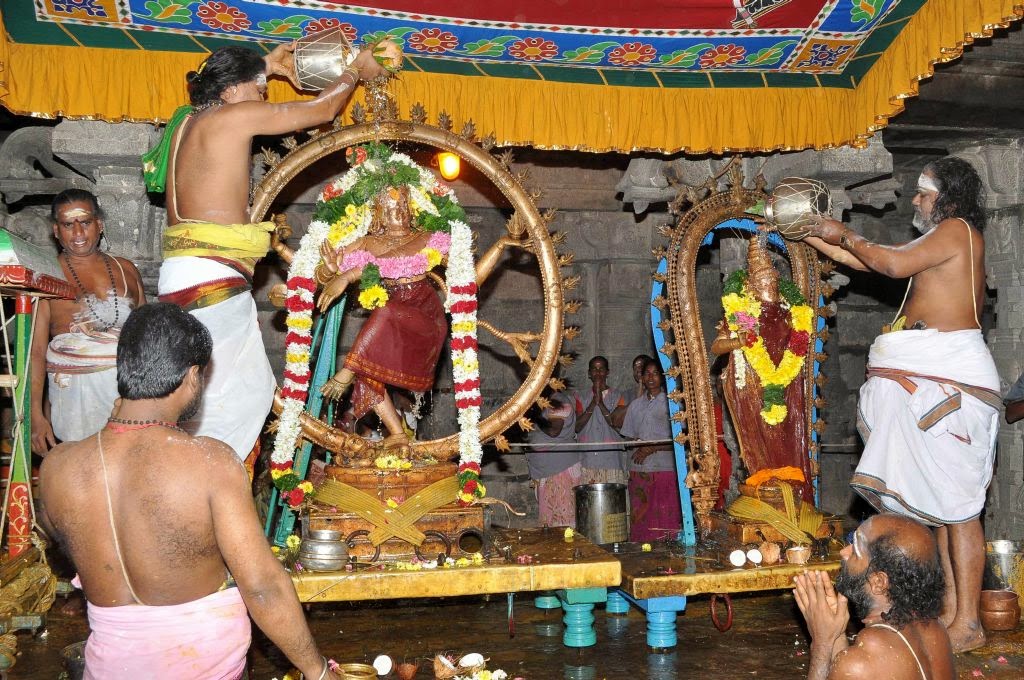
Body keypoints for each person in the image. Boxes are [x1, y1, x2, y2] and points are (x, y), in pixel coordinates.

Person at [38, 303, 343, 680]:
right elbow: (263, 588)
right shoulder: (210, 463)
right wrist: (317, 671)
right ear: (192, 375)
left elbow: (63, 539)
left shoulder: (56, 468)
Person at [144, 43, 388, 462]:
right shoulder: (231, 115)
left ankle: (200, 481)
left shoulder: (185, 122)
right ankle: (207, 488)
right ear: (235, 89)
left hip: (185, 274)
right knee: (238, 397)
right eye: (259, 90)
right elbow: (323, 111)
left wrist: (266, 68)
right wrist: (355, 72)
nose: (263, 98)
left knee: (216, 394)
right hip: (210, 277)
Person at [803, 156, 1000, 652]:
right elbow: (871, 259)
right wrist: (809, 233)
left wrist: (841, 231)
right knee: (937, 505)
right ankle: (950, 615)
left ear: (949, 196)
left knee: (959, 508)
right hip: (930, 377)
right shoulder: (937, 241)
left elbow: (887, 261)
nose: (915, 199)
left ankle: (969, 621)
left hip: (950, 380)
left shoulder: (957, 229)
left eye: (923, 192)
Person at [317, 186, 448, 454]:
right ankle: (398, 434)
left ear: (411, 209)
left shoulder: (427, 237)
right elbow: (321, 272)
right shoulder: (366, 242)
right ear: (378, 214)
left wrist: (348, 275)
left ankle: (348, 369)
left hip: (424, 316)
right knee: (368, 370)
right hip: (389, 316)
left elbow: (465, 270)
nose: (397, 213)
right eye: (389, 209)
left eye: (402, 207)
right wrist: (329, 271)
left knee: (384, 311)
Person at [31, 190, 145, 455]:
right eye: (68, 224)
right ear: (56, 231)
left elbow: (145, 340)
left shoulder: (126, 269)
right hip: (75, 402)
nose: (78, 232)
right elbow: (35, 353)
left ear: (100, 224)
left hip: (128, 397)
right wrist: (35, 414)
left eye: (86, 222)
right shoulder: (46, 275)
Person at [710, 235, 814, 501]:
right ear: (751, 284)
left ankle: (791, 489)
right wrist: (739, 340)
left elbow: (800, 343)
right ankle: (764, 487)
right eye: (761, 280)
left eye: (771, 279)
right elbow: (716, 348)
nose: (767, 283)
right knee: (758, 438)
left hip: (787, 382)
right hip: (751, 385)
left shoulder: (791, 310)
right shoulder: (742, 313)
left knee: (787, 434)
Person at [794, 513, 954, 680]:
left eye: (855, 550)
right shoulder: (937, 631)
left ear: (878, 582)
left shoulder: (860, 663)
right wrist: (835, 634)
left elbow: (855, 668)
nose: (843, 552)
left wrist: (821, 644)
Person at [620, 358, 680, 542]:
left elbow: (680, 438)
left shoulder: (673, 403)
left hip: (665, 468)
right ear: (642, 378)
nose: (651, 377)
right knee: (641, 513)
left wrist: (651, 448)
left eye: (655, 373)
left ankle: (669, 550)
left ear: (662, 377)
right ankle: (642, 551)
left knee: (666, 511)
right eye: (647, 373)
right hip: (640, 468)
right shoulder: (635, 405)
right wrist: (638, 445)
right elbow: (628, 436)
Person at [526, 394, 580, 527]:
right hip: (549, 470)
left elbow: (553, 431)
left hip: (560, 471)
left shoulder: (559, 401)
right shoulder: (543, 400)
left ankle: (566, 548)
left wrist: (535, 415)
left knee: (563, 520)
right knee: (550, 520)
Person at [573, 356, 628, 486]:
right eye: (594, 369)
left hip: (611, 459)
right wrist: (593, 403)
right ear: (589, 373)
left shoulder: (618, 396)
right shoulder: (581, 397)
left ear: (607, 372)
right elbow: (577, 427)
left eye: (601, 369)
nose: (598, 373)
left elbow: (617, 424)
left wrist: (601, 403)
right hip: (588, 460)